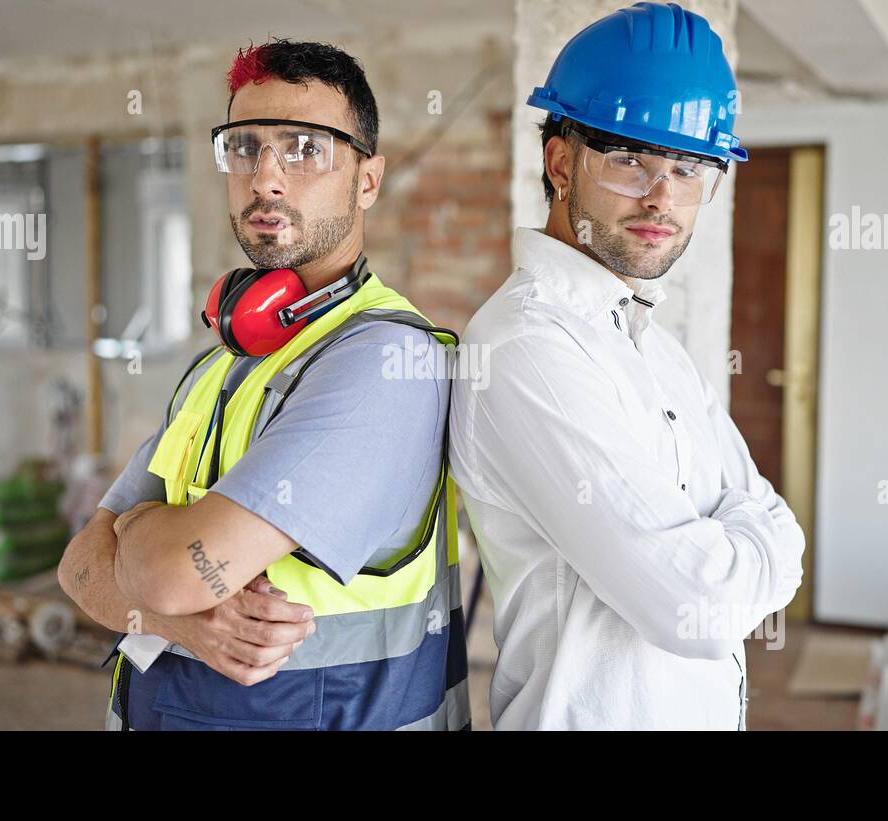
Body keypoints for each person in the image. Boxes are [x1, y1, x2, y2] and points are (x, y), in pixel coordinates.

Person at [59, 38, 468, 731]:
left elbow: (169, 572)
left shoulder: (387, 363)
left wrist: (134, 535)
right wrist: (184, 625)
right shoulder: (223, 360)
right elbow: (79, 571)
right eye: (244, 147)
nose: (266, 178)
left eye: (306, 149)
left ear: (367, 181)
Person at [449, 2, 804, 730]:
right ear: (559, 164)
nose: (662, 197)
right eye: (630, 159)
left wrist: (748, 537)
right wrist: (744, 538)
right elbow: (693, 605)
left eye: (688, 167)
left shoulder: (653, 345)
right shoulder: (525, 349)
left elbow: (774, 518)